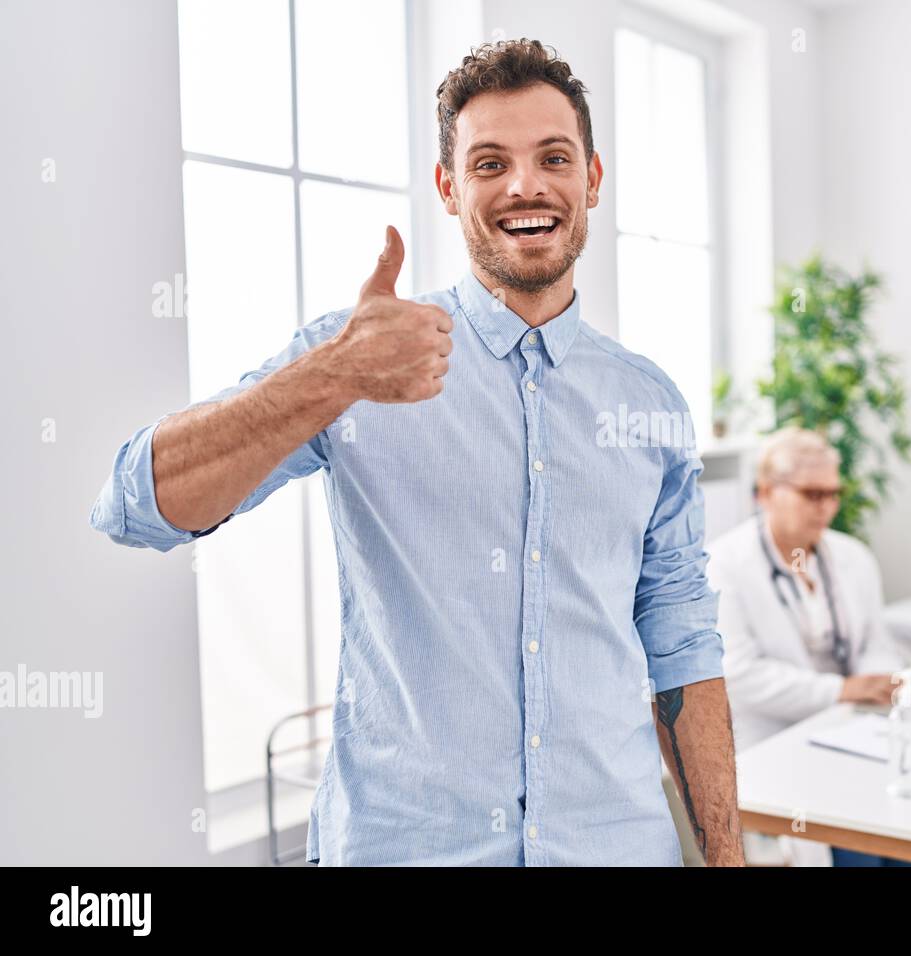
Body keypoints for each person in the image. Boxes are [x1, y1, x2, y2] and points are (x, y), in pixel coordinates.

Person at [89, 39, 744, 867]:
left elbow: (683, 646)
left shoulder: (650, 405)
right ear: (447, 187)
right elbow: (134, 505)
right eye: (489, 163)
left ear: (593, 178)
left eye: (553, 157)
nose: (525, 186)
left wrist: (726, 856)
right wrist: (330, 378)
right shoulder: (360, 358)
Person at [706, 427, 911, 867]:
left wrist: (875, 683)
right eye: (812, 494)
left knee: (903, 833)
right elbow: (739, 677)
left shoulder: (852, 557)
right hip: (774, 740)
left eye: (833, 493)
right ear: (765, 493)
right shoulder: (725, 565)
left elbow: (877, 644)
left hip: (855, 730)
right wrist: (841, 691)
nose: (827, 507)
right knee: (856, 847)